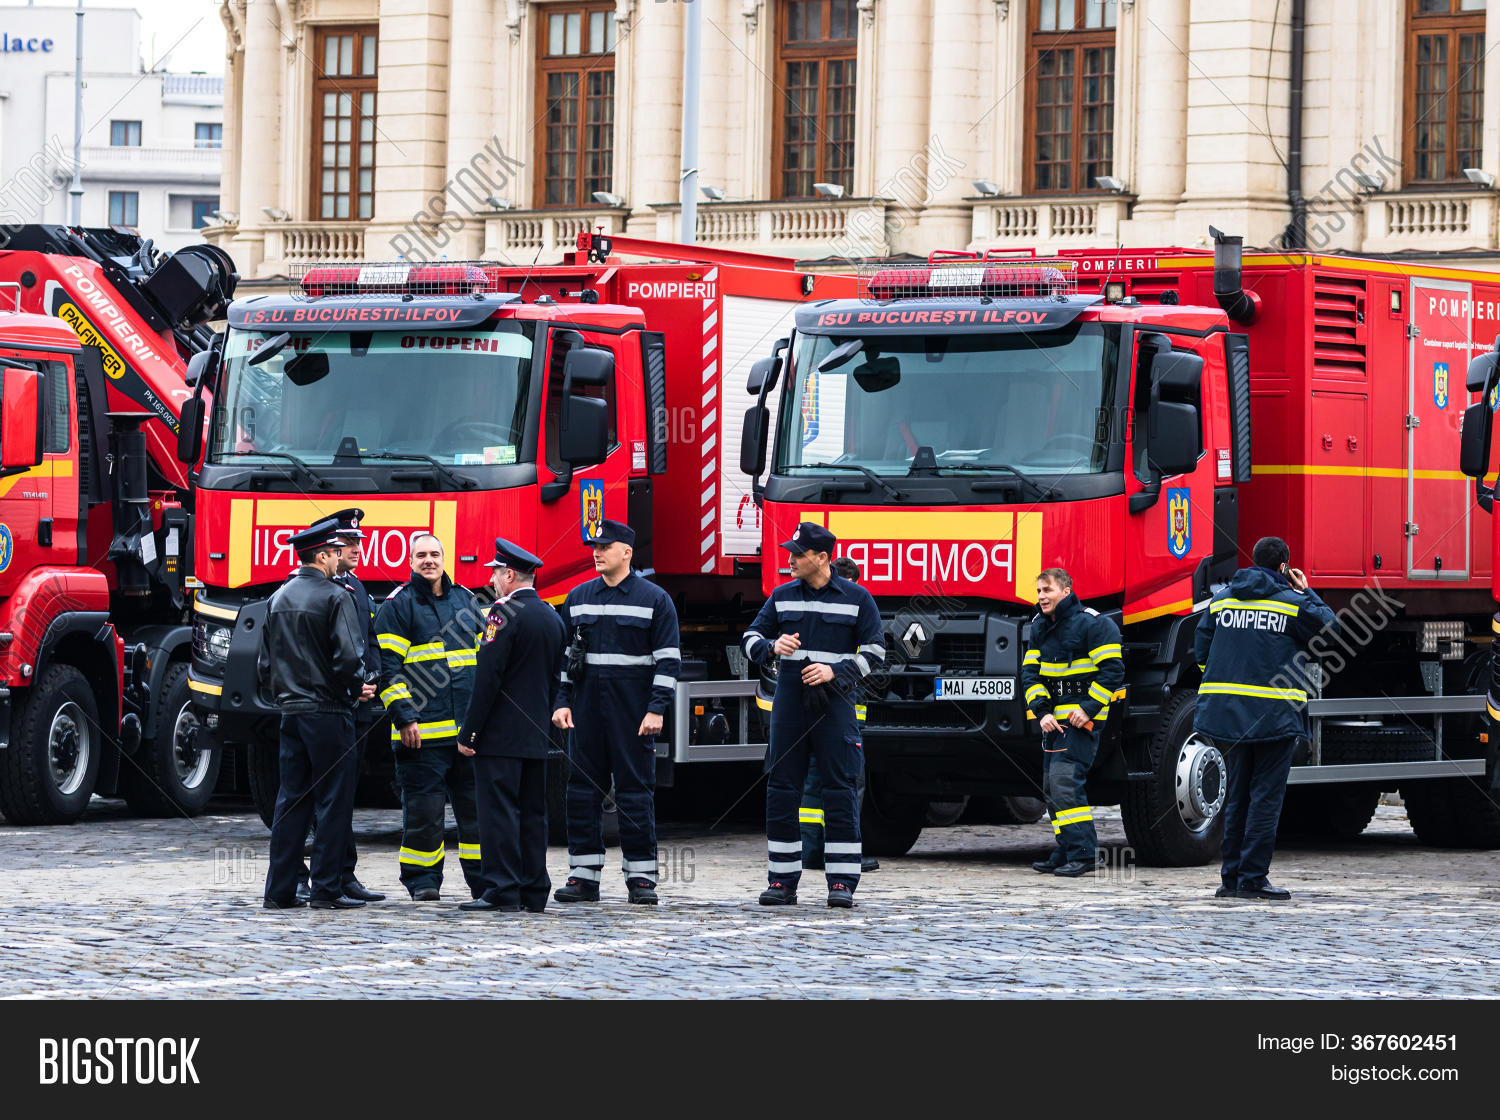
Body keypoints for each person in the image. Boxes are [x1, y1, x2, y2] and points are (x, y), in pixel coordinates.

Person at [743, 522, 884, 908]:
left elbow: (876, 652)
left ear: (821, 558)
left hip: (836, 702)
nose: (789, 559)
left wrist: (835, 671)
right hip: (789, 702)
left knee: (839, 789)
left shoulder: (858, 598)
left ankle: (841, 882)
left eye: (798, 554)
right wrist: (772, 646)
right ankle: (782, 881)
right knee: (781, 789)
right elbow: (749, 638)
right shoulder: (782, 595)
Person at [1196, 536, 1337, 901]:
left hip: (1227, 715)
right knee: (1265, 798)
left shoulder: (1221, 601)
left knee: (1237, 795)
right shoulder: (1292, 604)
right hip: (1274, 716)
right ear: (1283, 568)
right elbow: (1333, 633)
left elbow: (1201, 650)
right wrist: (1308, 593)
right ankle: (1253, 878)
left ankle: (1230, 879)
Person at [551, 519, 681, 906]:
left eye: (605, 547)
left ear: (626, 552)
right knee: (580, 793)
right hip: (587, 711)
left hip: (633, 714)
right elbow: (566, 658)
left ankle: (641, 880)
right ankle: (583, 877)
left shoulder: (655, 599)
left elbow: (668, 662)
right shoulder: (578, 597)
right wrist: (561, 701)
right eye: (595, 546)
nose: (597, 552)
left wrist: (656, 710)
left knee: (634, 794)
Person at [259, 520, 373, 910]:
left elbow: (264, 665)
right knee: (333, 801)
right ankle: (326, 888)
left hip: (291, 713)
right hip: (329, 712)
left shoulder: (277, 597)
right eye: (333, 551)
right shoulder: (335, 596)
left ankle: (279, 890)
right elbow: (348, 660)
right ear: (322, 555)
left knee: (290, 802)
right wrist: (355, 688)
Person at [374, 532, 487, 902]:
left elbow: (485, 664)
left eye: (434, 554)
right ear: (410, 561)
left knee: (476, 815)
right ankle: (422, 882)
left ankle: (484, 883)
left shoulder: (467, 601)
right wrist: (404, 718)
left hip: (467, 737)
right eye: (421, 555)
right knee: (424, 817)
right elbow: (387, 671)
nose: (429, 560)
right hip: (420, 737)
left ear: (444, 558)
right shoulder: (397, 606)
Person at [456, 539, 566, 913]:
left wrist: (470, 732)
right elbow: (555, 679)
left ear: (508, 575)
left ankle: (502, 889)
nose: (491, 579)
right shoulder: (551, 616)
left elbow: (488, 678)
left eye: (494, 572)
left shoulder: (502, 615)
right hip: (535, 735)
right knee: (534, 814)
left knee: (498, 814)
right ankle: (534, 889)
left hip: (500, 737)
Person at [295, 508, 385, 905]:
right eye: (347, 544)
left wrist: (373, 679)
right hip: (326, 704)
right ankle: (305, 875)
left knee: (342, 795)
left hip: (355, 707)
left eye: (357, 542)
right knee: (312, 795)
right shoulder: (312, 589)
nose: (355, 549)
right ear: (327, 551)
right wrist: (352, 684)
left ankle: (342, 874)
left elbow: (369, 640)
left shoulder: (356, 588)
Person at [1021, 567, 1124, 878]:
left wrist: (1089, 708)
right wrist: (1042, 711)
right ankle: (1067, 848)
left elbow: (1113, 672)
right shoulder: (1040, 626)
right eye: (1038, 591)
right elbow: (1030, 675)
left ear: (1066, 591)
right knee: (1052, 788)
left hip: (1081, 724)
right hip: (1053, 723)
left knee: (1066, 785)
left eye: (1047, 590)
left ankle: (1084, 854)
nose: (1041, 597)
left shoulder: (1094, 625)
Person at [800, 555, 879, 874]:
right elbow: (867, 662)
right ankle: (843, 852)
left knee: (813, 783)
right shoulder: (855, 616)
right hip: (843, 722)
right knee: (847, 783)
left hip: (811, 713)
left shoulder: (813, 613)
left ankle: (810, 850)